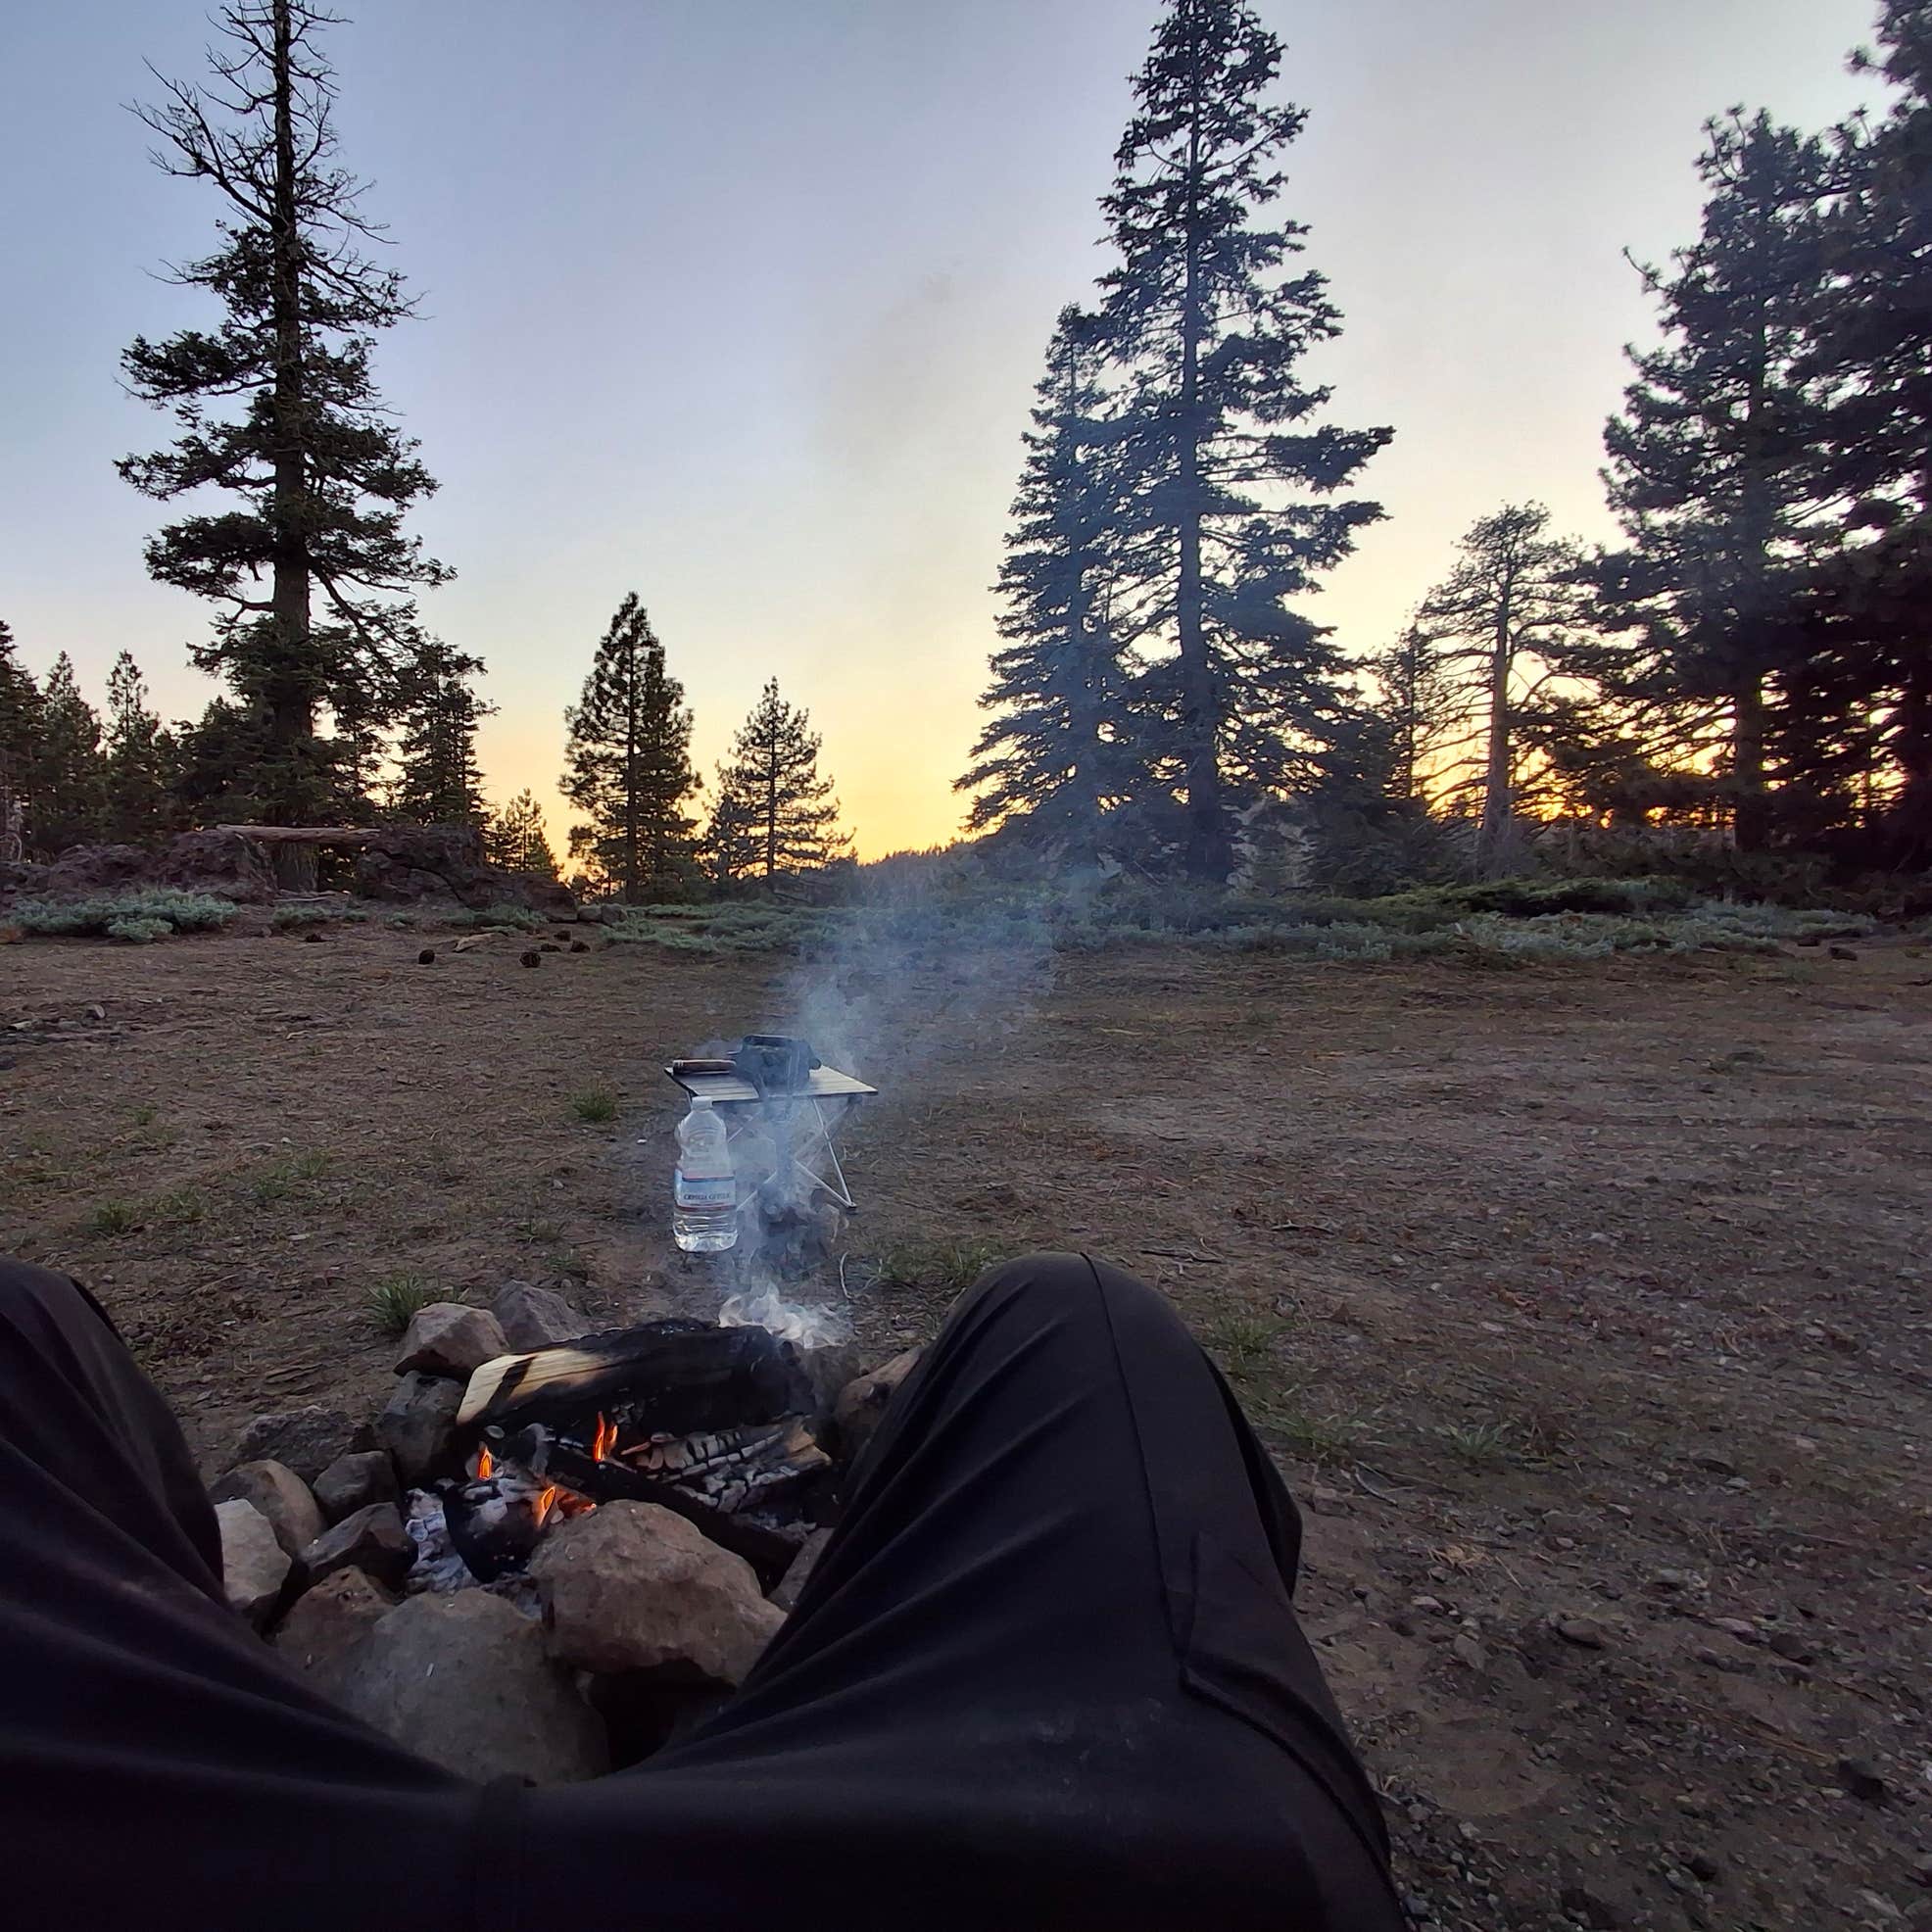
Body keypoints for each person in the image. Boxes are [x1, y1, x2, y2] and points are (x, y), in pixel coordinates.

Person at [0, 1250, 1405, 1929]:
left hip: (162, 1868)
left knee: (23, 1318)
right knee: (1079, 1312)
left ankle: (190, 1632)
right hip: (1062, 1868)